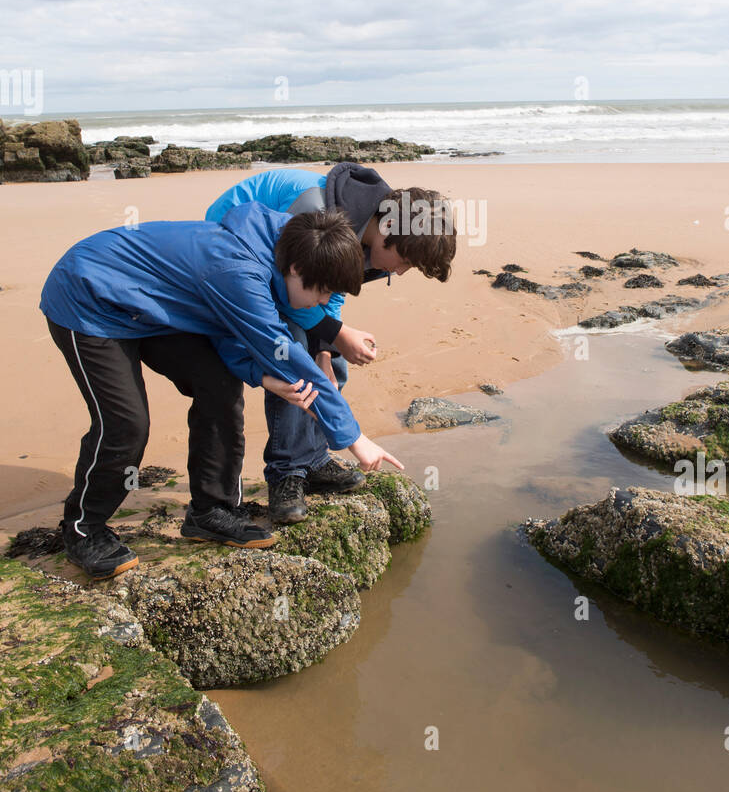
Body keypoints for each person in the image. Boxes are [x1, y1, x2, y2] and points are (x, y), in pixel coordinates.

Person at [39, 204, 403, 579]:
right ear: (296, 270)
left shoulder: (289, 247)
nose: (324, 304)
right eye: (324, 291)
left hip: (154, 308)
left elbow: (227, 328)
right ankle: (83, 528)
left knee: (219, 384)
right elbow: (285, 352)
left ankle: (211, 511)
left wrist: (263, 379)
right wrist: (354, 438)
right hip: (90, 297)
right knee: (126, 425)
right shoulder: (239, 270)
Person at [206, 162, 455, 523]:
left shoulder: (373, 227)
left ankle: (313, 457)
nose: (400, 272)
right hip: (239, 252)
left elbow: (332, 289)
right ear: (387, 229)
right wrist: (335, 334)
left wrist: (328, 346)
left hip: (296, 274)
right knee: (292, 351)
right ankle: (287, 474)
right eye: (404, 263)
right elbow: (292, 290)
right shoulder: (317, 212)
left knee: (331, 362)